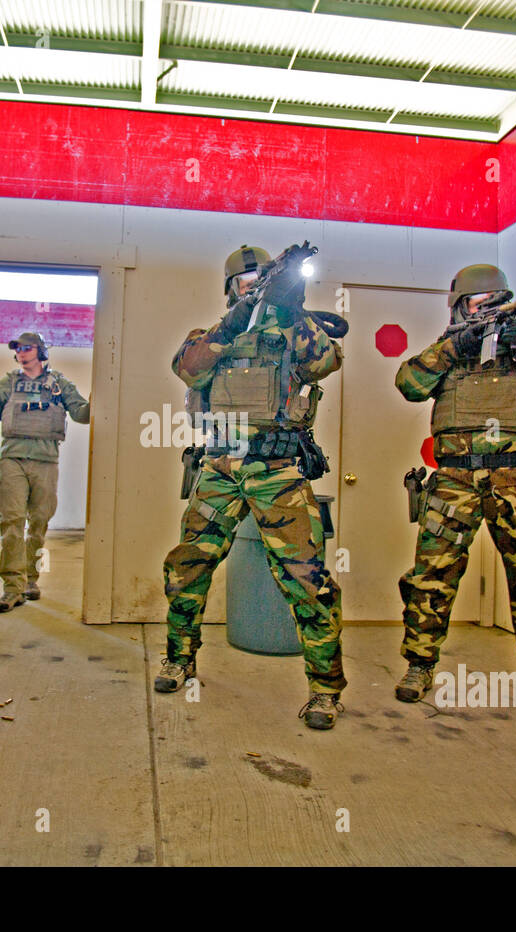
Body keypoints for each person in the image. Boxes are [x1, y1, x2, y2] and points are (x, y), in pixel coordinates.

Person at [159, 244, 346, 730]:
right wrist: (238, 318)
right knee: (187, 567)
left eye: (262, 279)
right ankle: (179, 660)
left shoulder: (293, 330)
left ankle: (325, 690)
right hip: (220, 467)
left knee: (306, 578)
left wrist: (293, 311)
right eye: (246, 281)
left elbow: (327, 361)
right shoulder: (211, 334)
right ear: (230, 289)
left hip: (277, 469)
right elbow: (188, 367)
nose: (254, 286)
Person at [393, 264, 516, 717]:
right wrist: (450, 349)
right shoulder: (449, 353)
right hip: (455, 478)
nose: (492, 310)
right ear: (462, 308)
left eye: (500, 300)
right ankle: (419, 666)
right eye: (482, 303)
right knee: (431, 577)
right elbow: (408, 385)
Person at [0, 332, 90, 612]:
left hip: (46, 460)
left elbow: (81, 414)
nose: (21, 352)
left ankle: (32, 579)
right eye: (17, 348)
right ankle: (12, 588)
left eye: (27, 348)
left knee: (39, 524)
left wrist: (102, 396)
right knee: (12, 523)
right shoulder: (7, 384)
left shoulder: (59, 384)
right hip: (13, 458)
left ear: (41, 352)